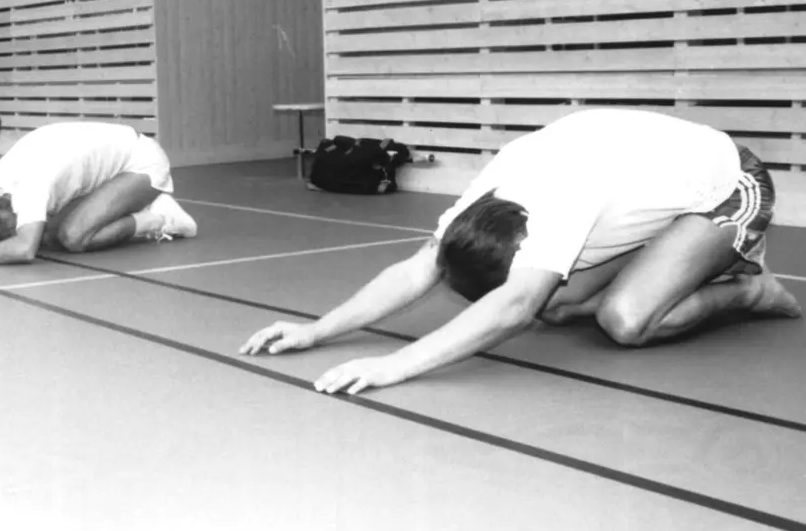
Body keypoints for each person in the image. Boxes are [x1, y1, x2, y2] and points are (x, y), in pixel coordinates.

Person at [240, 108, 800, 395]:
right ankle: (667, 255)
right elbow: (417, 269)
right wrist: (318, 330)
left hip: (730, 184)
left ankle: (750, 287)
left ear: (529, 248)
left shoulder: (562, 201)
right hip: (642, 188)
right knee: (556, 307)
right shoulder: (487, 194)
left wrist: (393, 366)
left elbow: (513, 307)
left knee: (625, 320)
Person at [0, 121, 197, 267]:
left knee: (71, 238)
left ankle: (160, 218)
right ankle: (132, 205)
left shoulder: (32, 187)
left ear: (21, 215)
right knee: (54, 235)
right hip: (105, 160)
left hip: (142, 160)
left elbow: (24, 249)